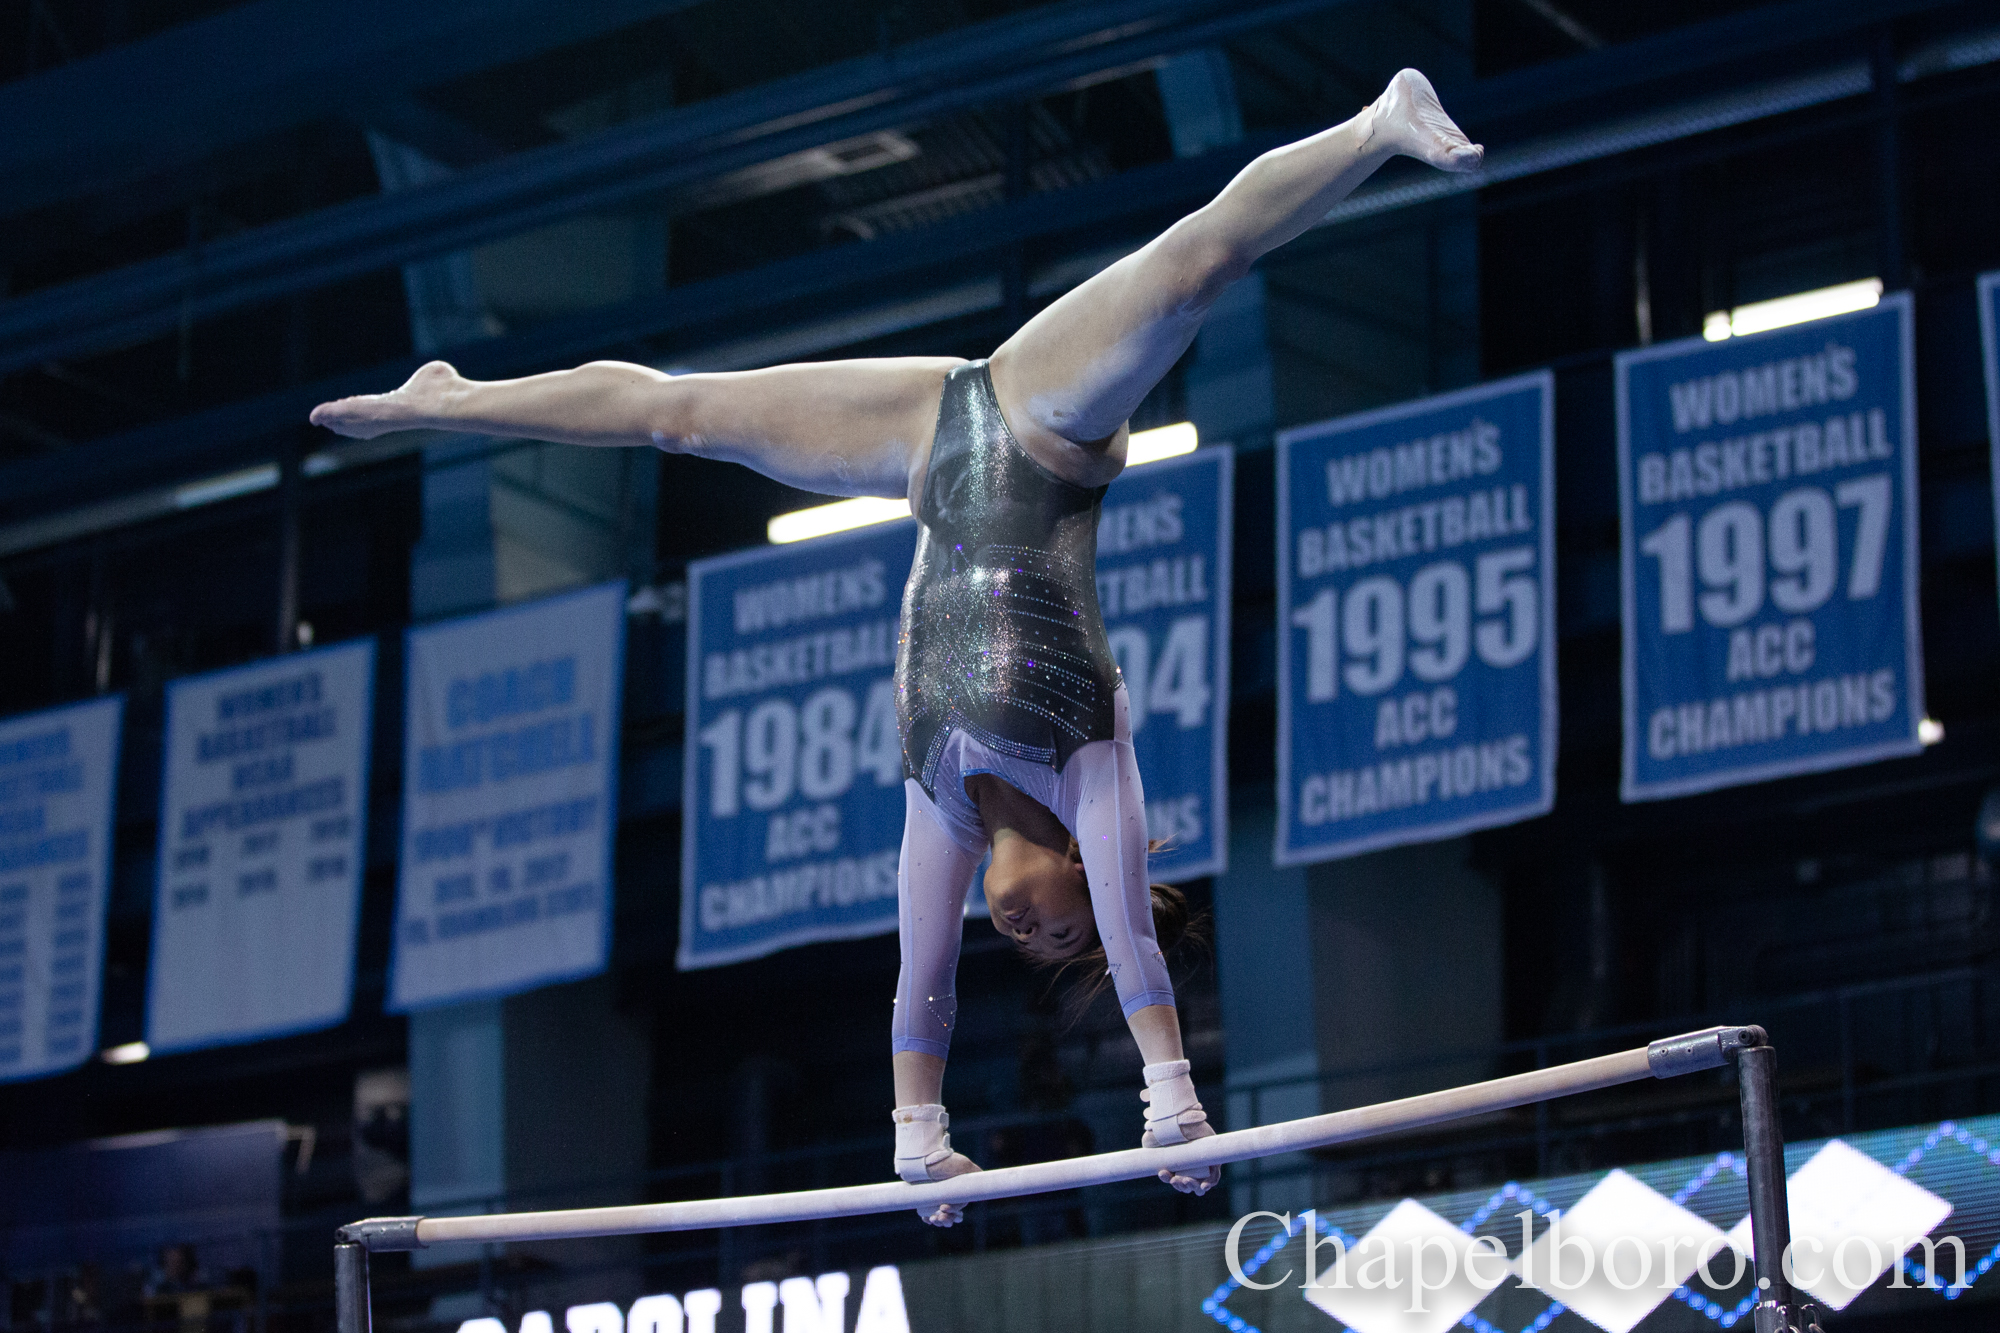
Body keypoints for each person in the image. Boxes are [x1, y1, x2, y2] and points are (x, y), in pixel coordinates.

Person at [312, 68, 1482, 1226]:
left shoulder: (940, 810)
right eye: (1057, 925)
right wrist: (1170, 1102)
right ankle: (1377, 119)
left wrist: (917, 1140)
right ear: (1080, 868)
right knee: (1190, 271)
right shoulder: (1091, 765)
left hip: (924, 451)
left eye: (1029, 944)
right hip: (1041, 419)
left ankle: (446, 401)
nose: (1026, 932)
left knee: (679, 419)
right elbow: (1134, 940)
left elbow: (922, 979)